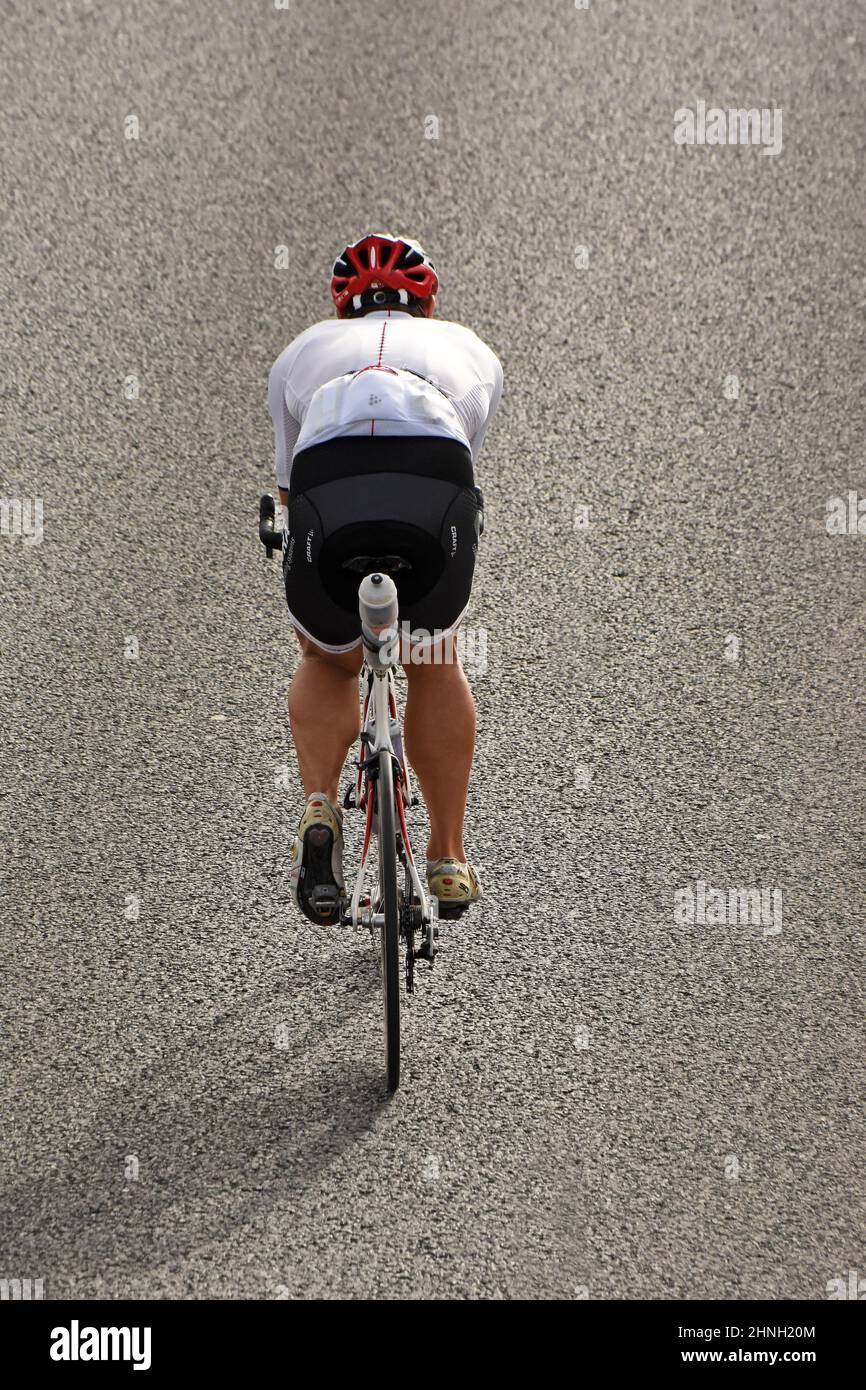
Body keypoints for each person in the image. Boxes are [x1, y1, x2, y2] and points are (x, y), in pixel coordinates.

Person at [268, 232, 503, 925]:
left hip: (327, 486)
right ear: (425, 306)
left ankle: (317, 805)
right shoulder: (471, 348)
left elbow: (287, 493)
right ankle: (449, 856)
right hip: (431, 485)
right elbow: (462, 465)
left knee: (330, 658)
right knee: (433, 657)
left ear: (343, 308)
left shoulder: (300, 353)